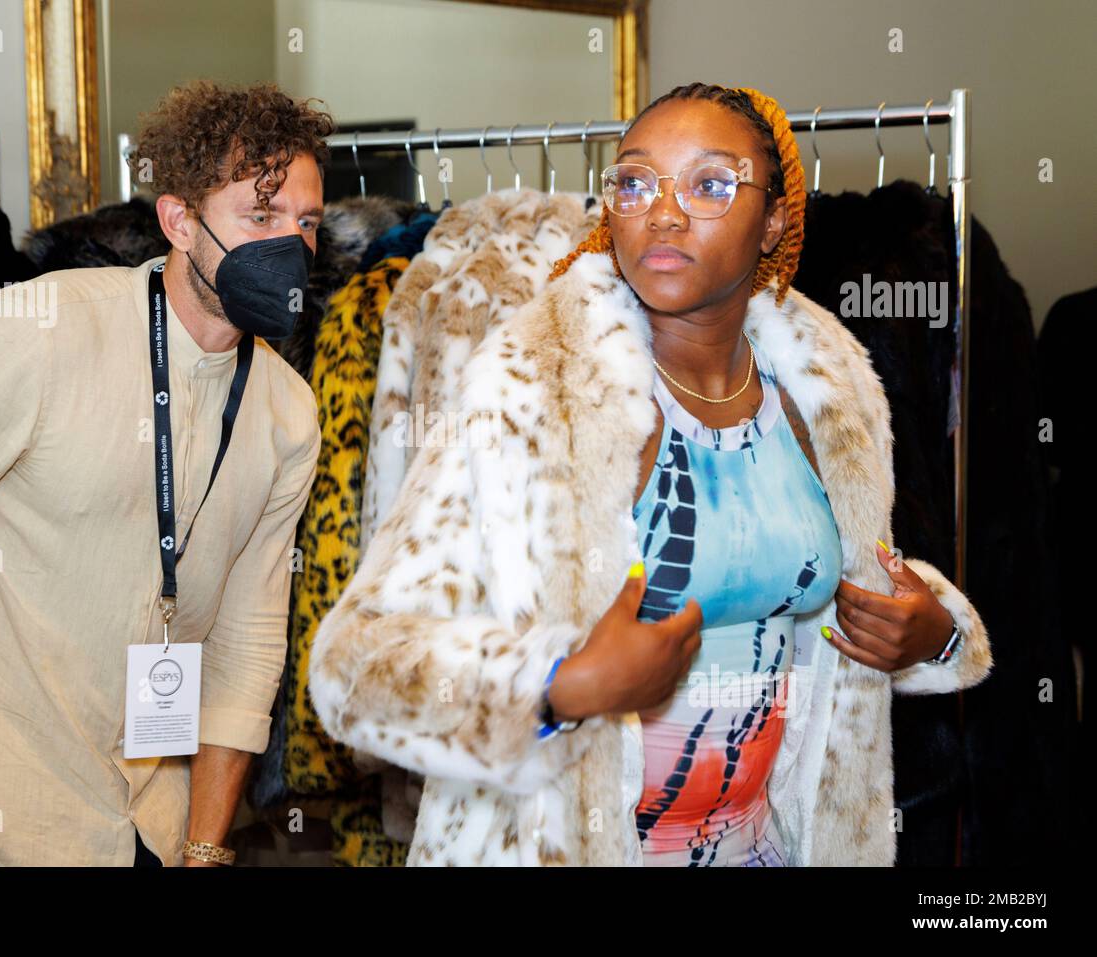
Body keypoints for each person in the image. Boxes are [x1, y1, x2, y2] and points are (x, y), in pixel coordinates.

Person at [309, 83, 992, 866]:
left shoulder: (828, 386)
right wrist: (562, 683)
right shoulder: (532, 388)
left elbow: (851, 595)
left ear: (774, 219)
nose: (662, 213)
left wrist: (935, 637)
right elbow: (352, 667)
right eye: (634, 182)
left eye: (710, 184)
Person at [0, 80, 328, 866]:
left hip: (151, 826)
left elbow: (248, 647)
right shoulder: (33, 337)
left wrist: (206, 849)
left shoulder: (289, 413)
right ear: (179, 220)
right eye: (261, 217)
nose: (290, 244)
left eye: (308, 222)